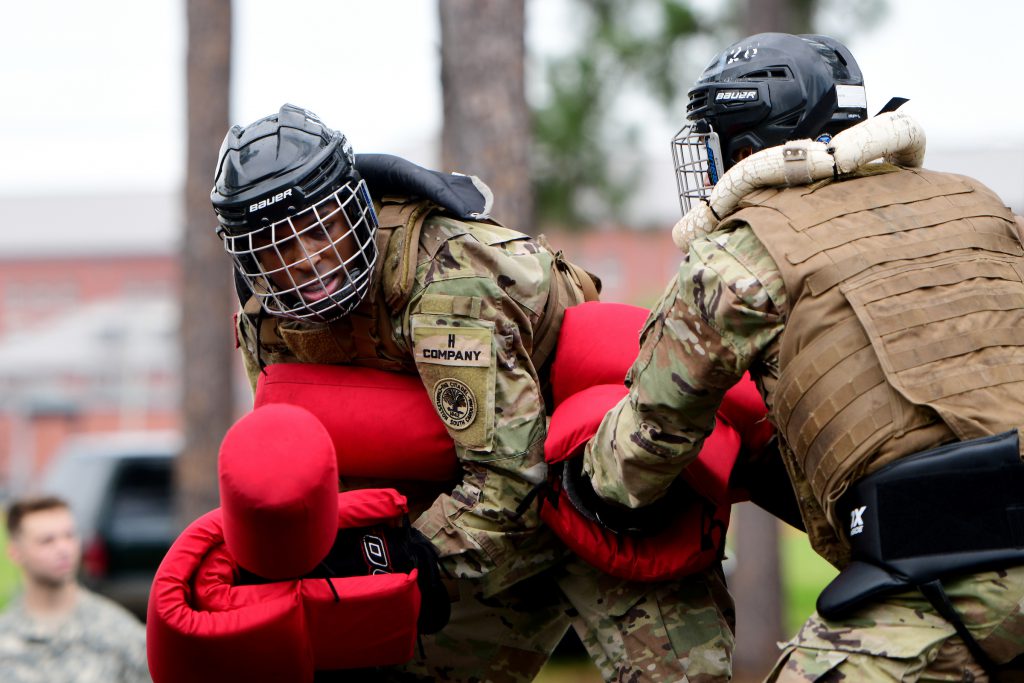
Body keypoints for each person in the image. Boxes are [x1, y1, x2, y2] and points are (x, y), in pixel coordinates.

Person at [208, 103, 735, 682]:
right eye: (276, 249)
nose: (307, 261)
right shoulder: (268, 317)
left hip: (592, 492)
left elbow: (513, 473)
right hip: (461, 511)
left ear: (353, 208)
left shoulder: (444, 279)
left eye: (318, 229)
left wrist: (415, 562)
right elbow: (310, 465)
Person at [581, 32, 1024, 682]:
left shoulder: (740, 252)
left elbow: (634, 464)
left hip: (929, 585)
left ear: (744, 148)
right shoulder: (982, 203)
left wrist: (581, 479)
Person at [0, 495, 151, 683]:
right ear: (15, 552)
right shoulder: (5, 638)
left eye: (69, 536)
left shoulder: (119, 633)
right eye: (47, 541)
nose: (63, 548)